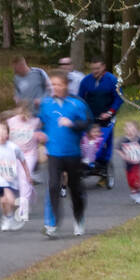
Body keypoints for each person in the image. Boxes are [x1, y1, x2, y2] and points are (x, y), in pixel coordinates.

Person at [37, 71, 92, 237]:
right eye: (52, 85)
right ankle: (53, 223)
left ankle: (79, 218)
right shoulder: (45, 104)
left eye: (58, 84)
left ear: (66, 85)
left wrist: (73, 124)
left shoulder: (77, 103)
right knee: (53, 186)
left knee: (75, 189)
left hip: (73, 153)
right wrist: (40, 136)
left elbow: (88, 123)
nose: (55, 88)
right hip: (54, 152)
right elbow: (40, 124)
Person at [0, 120, 33, 231]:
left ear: (8, 134)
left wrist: (28, 175)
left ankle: (13, 213)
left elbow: (23, 161)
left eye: (3, 131)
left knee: (10, 200)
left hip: (11, 179)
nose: (1, 134)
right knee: (3, 202)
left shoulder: (13, 147)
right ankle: (7, 217)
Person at [7, 100, 41, 219]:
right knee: (18, 181)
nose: (23, 116)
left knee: (25, 179)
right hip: (15, 155)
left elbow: (43, 129)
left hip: (30, 154)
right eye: (21, 112)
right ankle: (31, 194)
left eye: (26, 113)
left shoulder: (35, 122)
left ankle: (23, 210)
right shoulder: (11, 122)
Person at [116, 121, 140, 203]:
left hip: (138, 164)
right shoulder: (123, 140)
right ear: (125, 130)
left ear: (137, 131)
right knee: (131, 181)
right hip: (129, 165)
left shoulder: (139, 140)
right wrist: (123, 155)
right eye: (128, 129)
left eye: (133, 129)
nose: (131, 131)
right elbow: (117, 148)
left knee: (137, 180)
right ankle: (136, 192)